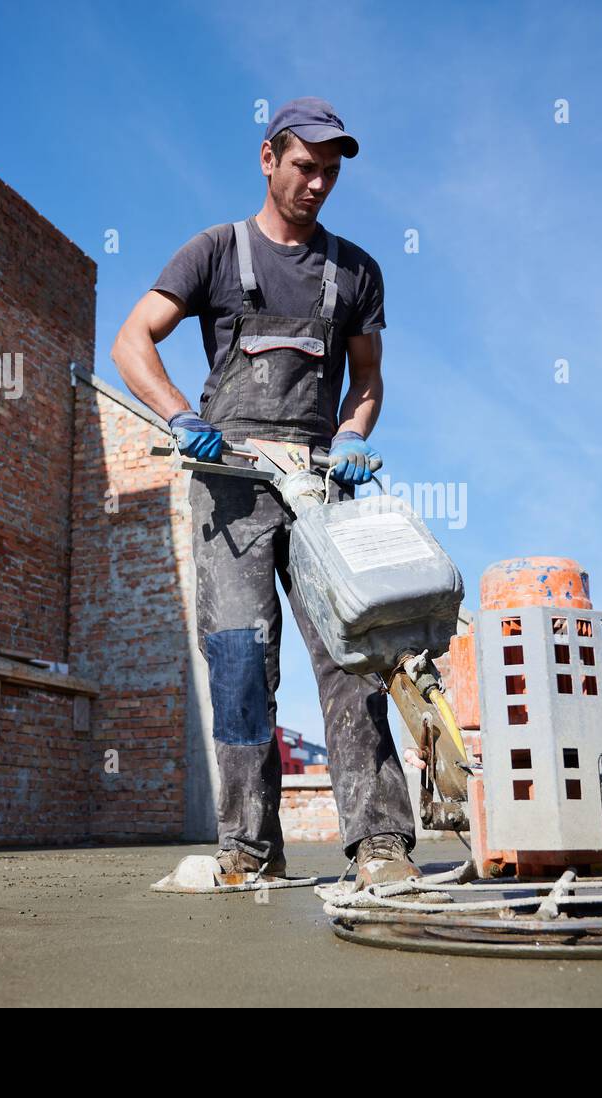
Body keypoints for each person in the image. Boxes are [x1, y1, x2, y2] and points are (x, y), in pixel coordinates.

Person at [111, 97, 419, 887]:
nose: (319, 182)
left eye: (331, 170)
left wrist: (351, 437)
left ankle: (379, 845)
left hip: (319, 487)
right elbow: (131, 339)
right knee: (241, 662)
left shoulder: (355, 271)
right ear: (268, 157)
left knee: (352, 656)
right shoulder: (215, 252)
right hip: (232, 487)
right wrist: (181, 417)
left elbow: (369, 379)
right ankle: (248, 849)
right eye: (305, 165)